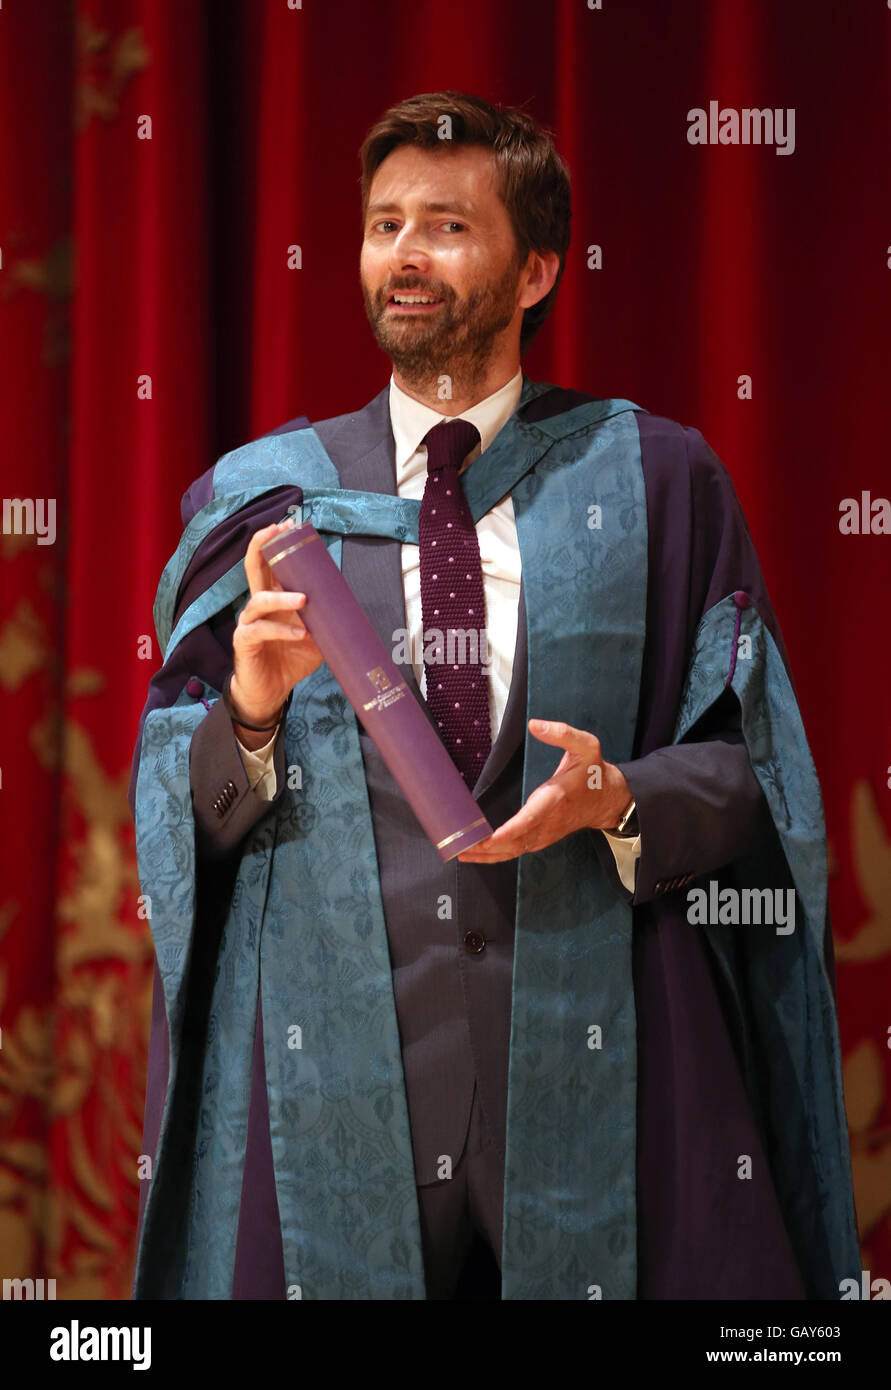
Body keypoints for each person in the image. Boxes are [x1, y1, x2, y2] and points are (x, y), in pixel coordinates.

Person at [129, 91, 860, 1300]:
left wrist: (622, 796)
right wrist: (248, 719)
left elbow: (753, 775)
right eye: (382, 224)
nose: (403, 256)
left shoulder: (654, 482)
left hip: (600, 1073)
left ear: (535, 269)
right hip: (337, 1096)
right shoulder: (268, 503)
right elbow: (174, 809)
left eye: (446, 227)